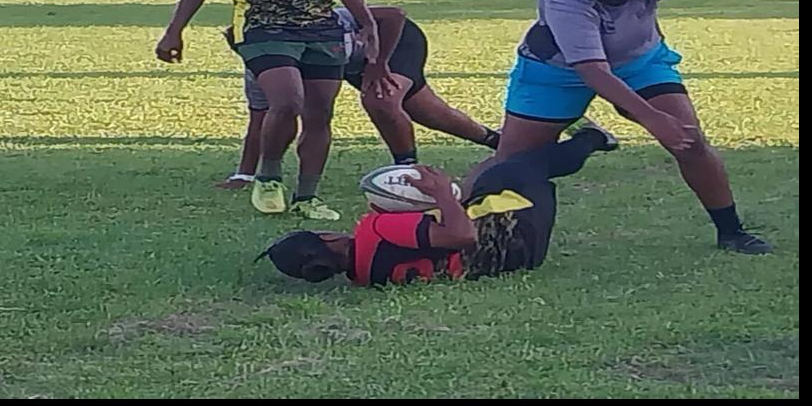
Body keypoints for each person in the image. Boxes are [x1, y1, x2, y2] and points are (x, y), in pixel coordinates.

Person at [491, 0, 773, 254]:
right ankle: (464, 223)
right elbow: (594, 72)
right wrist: (653, 119)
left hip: (639, 61)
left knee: (689, 141)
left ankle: (732, 232)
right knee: (511, 163)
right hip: (557, 72)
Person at [258, 121, 619, 285]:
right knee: (520, 167)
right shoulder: (376, 229)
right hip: (514, 230)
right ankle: (592, 138)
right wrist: (443, 192)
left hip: (520, 261)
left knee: (486, 179)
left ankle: (584, 137)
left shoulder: (366, 278)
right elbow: (462, 236)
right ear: (329, 239)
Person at [157, 0, 379, 221]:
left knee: (319, 113)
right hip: (262, 28)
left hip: (322, 31)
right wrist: (174, 30)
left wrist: (368, 23)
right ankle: (268, 177)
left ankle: (307, 197)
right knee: (287, 101)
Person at [217, 5, 502, 189]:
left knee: (380, 99)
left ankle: (408, 170)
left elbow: (393, 16)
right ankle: (497, 141)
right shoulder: (261, 65)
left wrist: (378, 62)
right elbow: (261, 120)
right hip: (349, 61)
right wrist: (244, 175)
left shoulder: (318, 22)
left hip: (393, 43)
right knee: (428, 112)